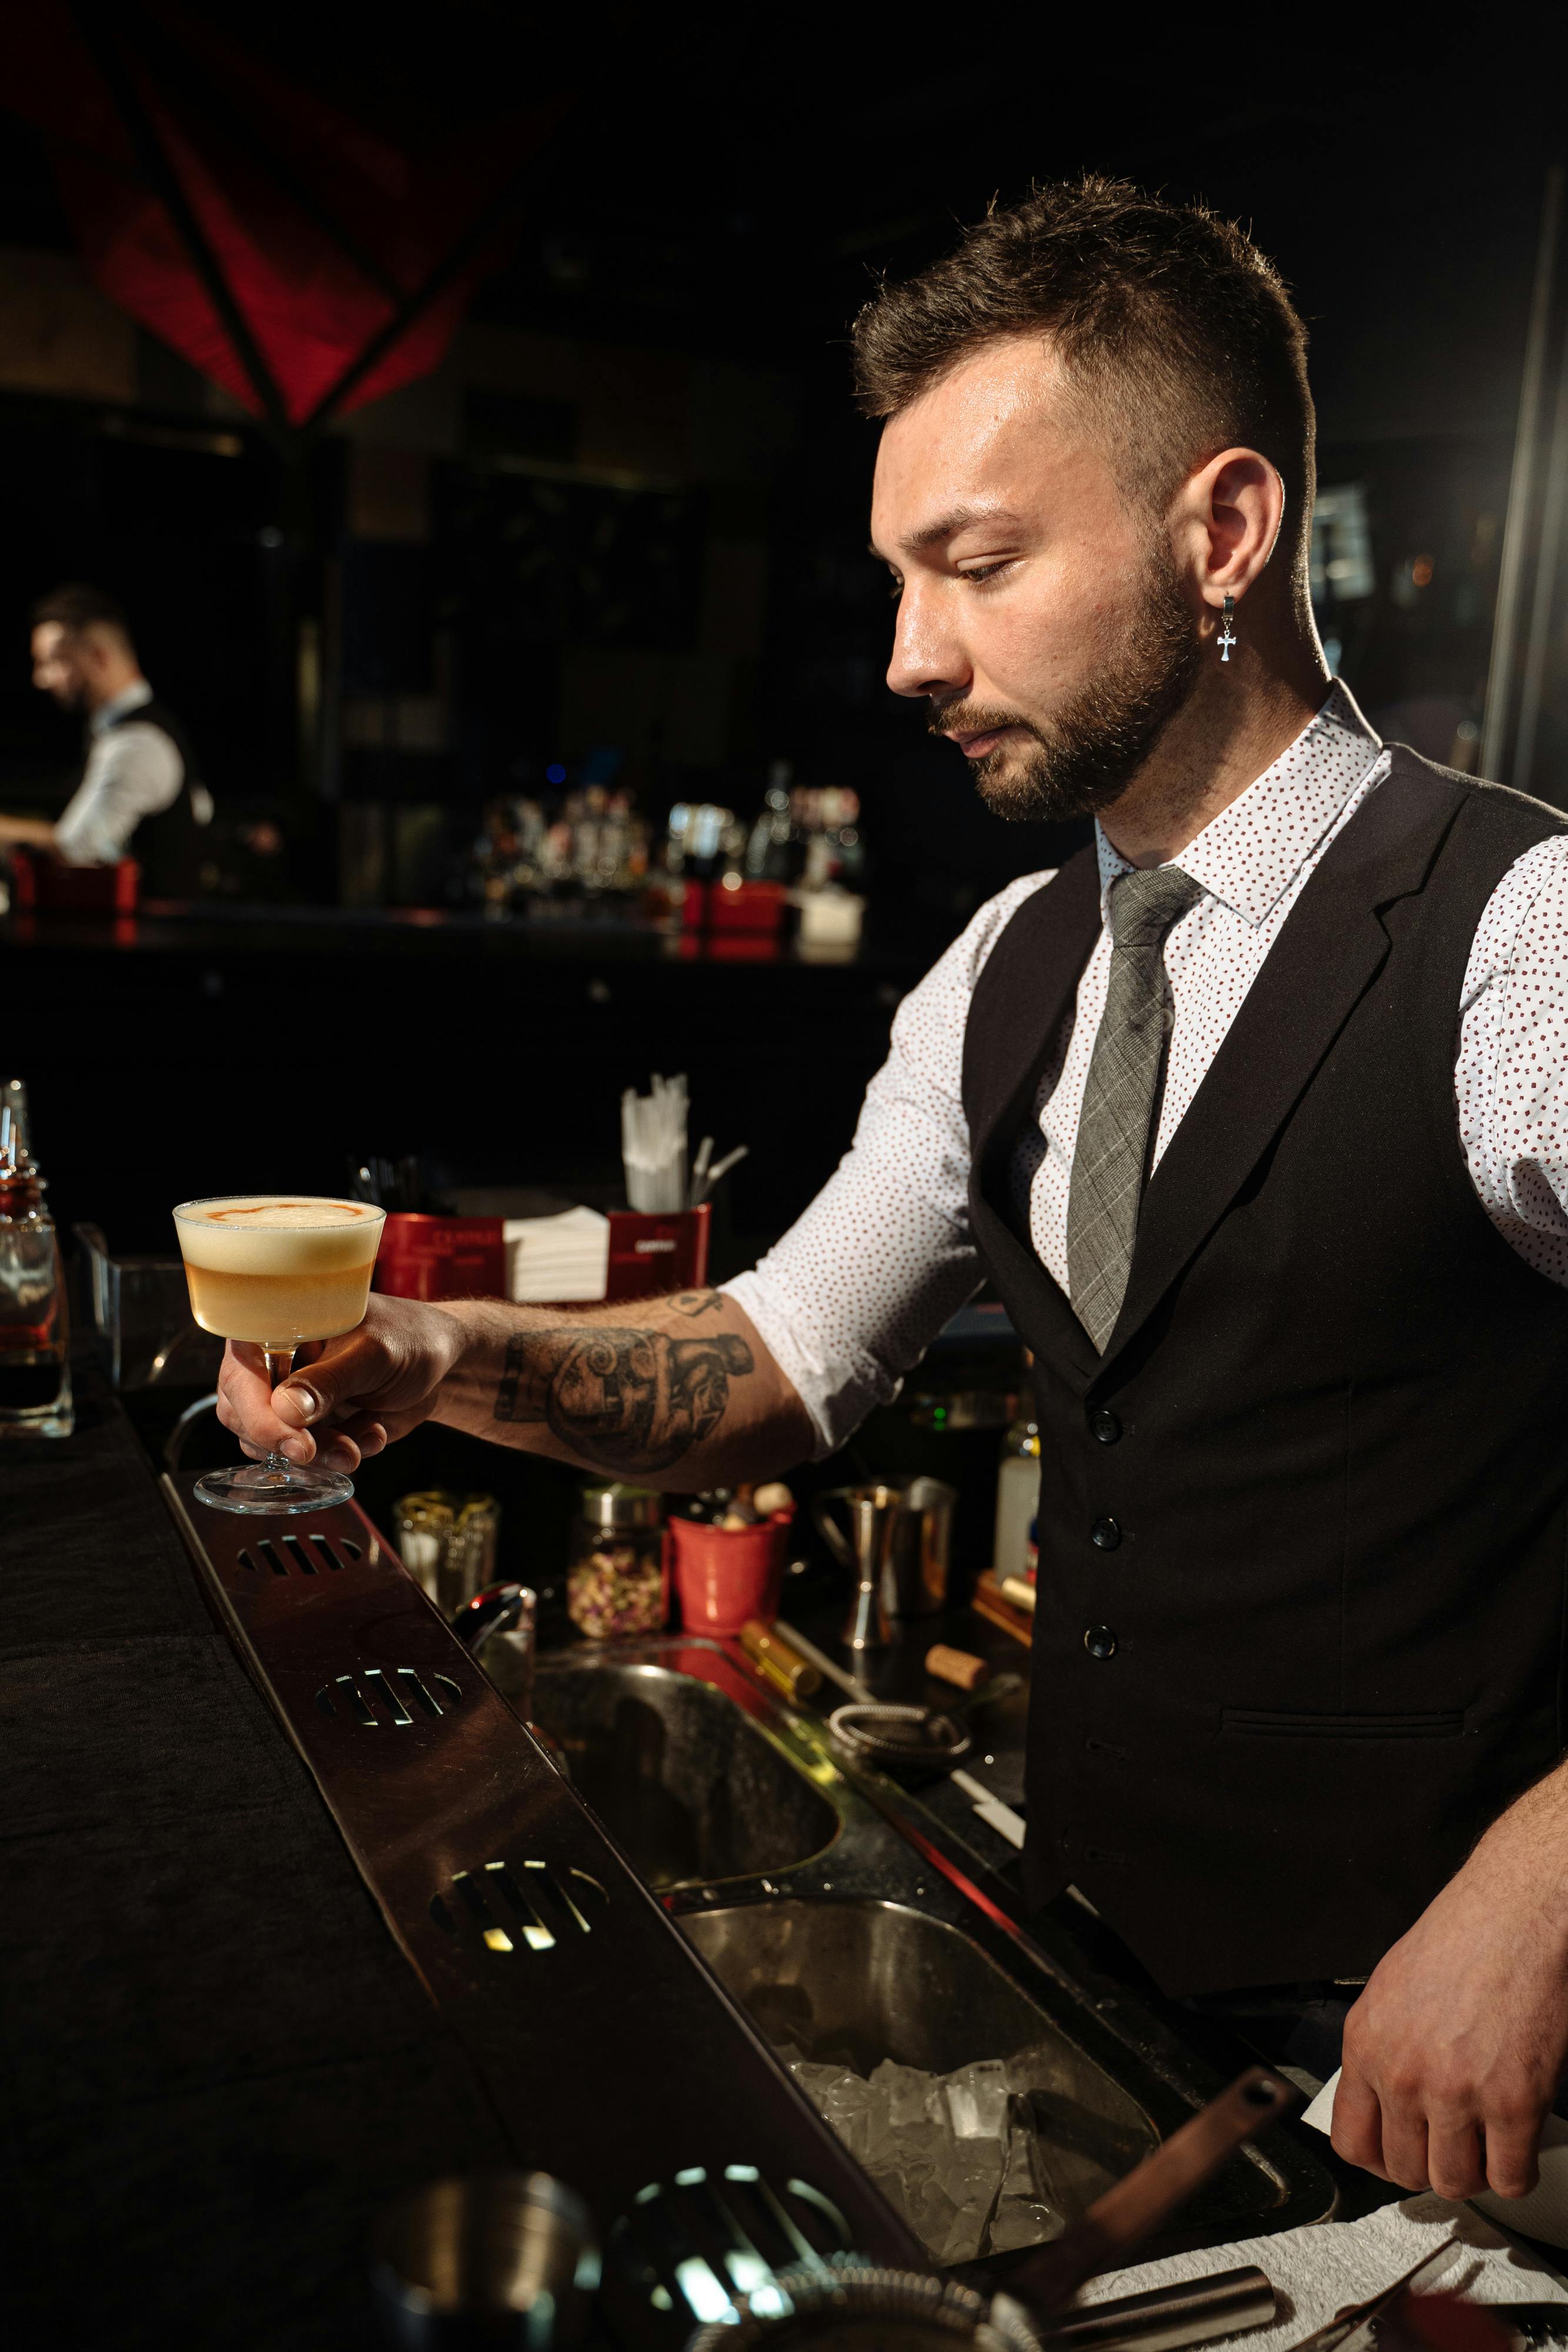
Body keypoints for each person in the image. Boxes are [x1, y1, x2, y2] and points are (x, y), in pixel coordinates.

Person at [220, 180, 1568, 2209]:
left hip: (1459, 2069)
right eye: (893, 579)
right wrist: (435, 1350)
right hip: (1121, 1979)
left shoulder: (1518, 935)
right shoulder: (1006, 964)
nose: (907, 659)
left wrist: (1535, 1901)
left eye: (979, 566)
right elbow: (781, 1349)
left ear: (1221, 533)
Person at [0, 583, 212, 893]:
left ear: (99, 657)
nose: (40, 679)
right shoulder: (129, 731)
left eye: (53, 662)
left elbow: (74, 853)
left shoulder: (137, 743)